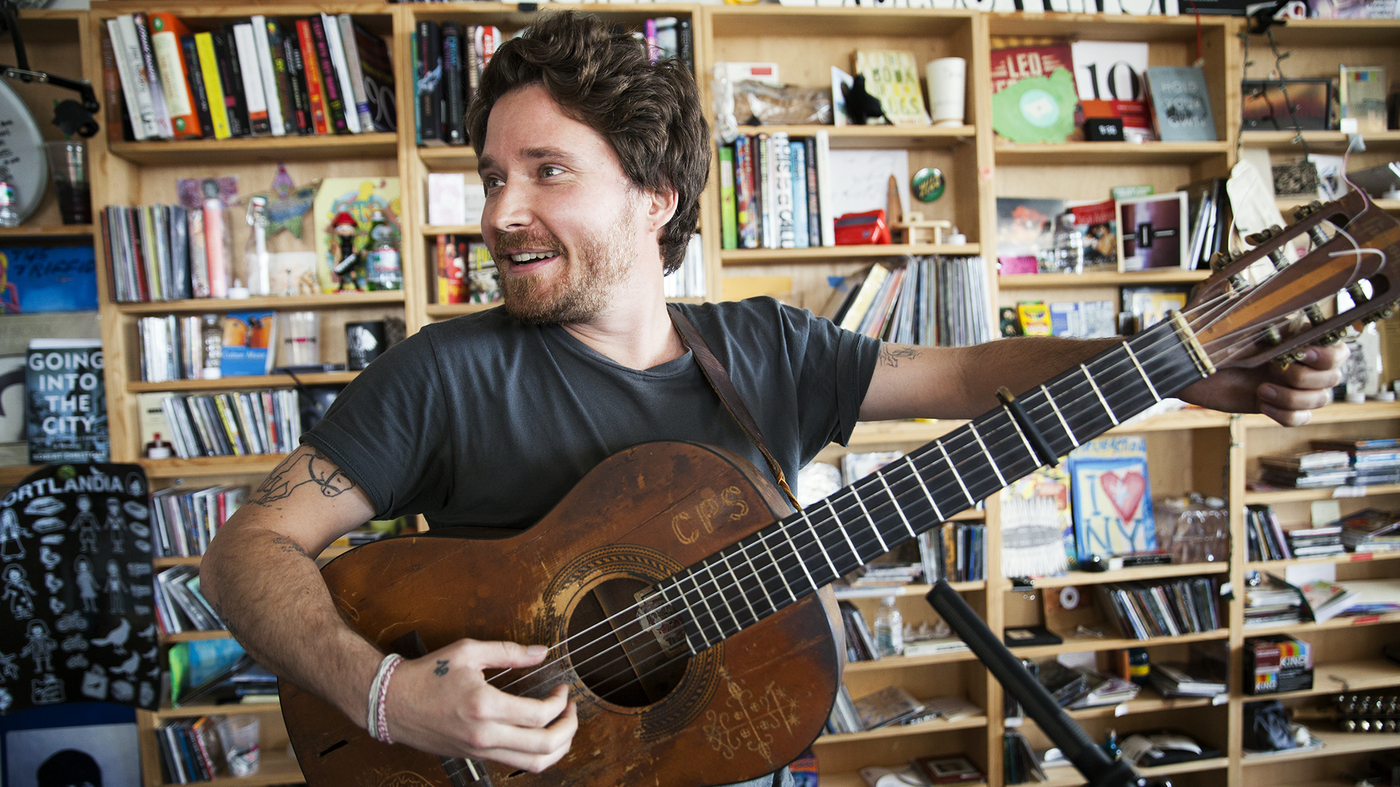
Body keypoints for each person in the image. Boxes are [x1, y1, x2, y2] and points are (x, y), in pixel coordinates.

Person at [199, 11, 1345, 787]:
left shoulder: (764, 353)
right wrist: (392, 696)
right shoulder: (440, 375)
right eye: (493, 177)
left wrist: (1176, 360)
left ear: (654, 195)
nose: (500, 210)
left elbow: (965, 376)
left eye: (545, 171)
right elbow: (245, 550)